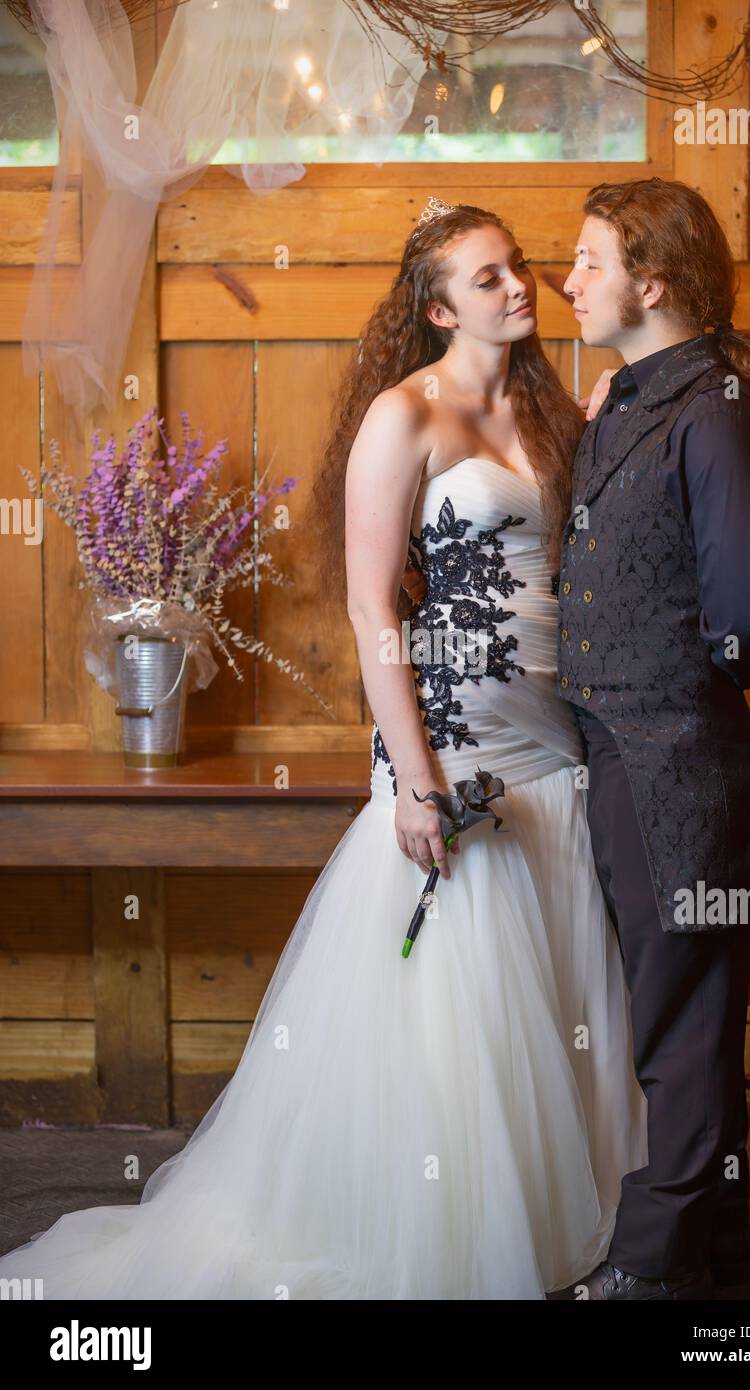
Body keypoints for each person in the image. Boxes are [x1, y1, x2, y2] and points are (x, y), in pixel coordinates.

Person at [0, 197, 647, 1301]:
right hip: (450, 739)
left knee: (557, 997)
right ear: (439, 306)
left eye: (518, 269)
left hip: (555, 745)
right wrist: (413, 779)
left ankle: (563, 1231)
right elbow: (367, 609)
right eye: (486, 278)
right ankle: (441, 1238)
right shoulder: (405, 418)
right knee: (457, 1011)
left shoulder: (553, 415)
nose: (515, 287)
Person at [556, 177, 750, 1300]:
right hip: (624, 761)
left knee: (683, 1038)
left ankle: (648, 1275)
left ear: (650, 282)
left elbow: (747, 623)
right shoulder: (638, 398)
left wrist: (678, 691)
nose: (569, 280)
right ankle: (714, 1266)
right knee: (678, 1023)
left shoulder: (715, 410)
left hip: (684, 773)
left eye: (588, 260)